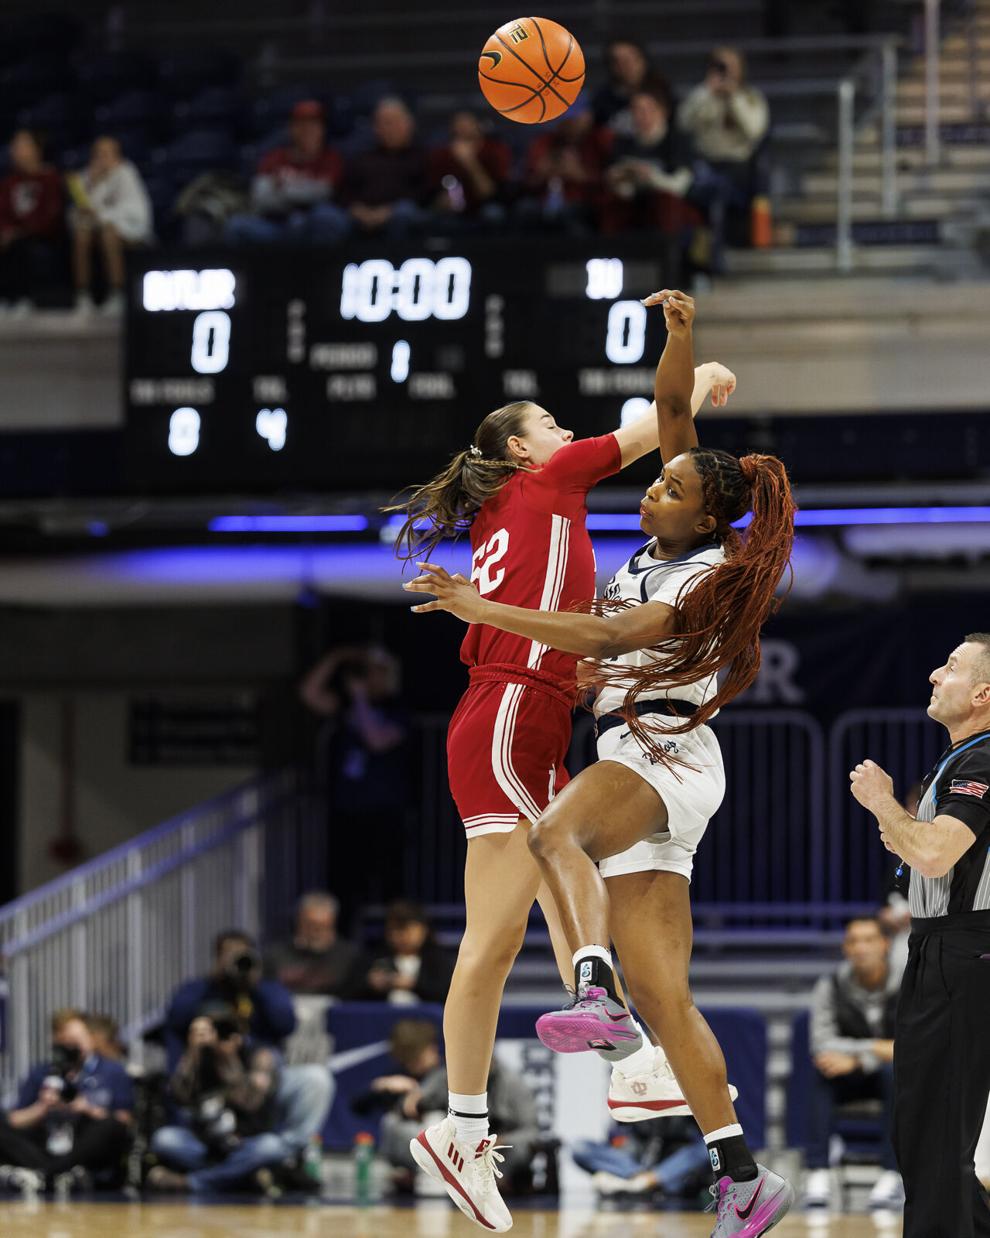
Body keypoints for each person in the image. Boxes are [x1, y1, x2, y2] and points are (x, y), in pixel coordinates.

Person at [403, 290, 797, 1231]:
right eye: (550, 423)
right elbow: (669, 419)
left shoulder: (697, 568)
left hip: (647, 747)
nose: (653, 491)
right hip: (586, 732)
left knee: (546, 856)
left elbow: (614, 623)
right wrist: (684, 344)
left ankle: (566, 1043)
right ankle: (735, 1166)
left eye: (671, 489)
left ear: (706, 513)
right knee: (653, 983)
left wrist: (490, 615)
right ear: (517, 450)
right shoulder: (597, 510)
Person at [850, 632, 990, 1238]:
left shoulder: (983, 759)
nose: (935, 673)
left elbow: (933, 854)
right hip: (944, 948)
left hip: (963, 950)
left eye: (952, 667)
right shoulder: (963, 757)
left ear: (983, 694)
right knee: (927, 1133)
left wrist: (884, 804)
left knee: (936, 1135)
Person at [164, 930, 332, 1162]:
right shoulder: (200, 989)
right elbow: (176, 1017)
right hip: (209, 1085)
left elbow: (285, 1023)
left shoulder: (265, 989)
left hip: (260, 1080)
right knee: (166, 1140)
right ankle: (242, 1163)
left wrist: (256, 984)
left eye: (242, 955)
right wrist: (214, 980)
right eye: (229, 955)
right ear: (218, 958)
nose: (236, 961)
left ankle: (285, 1152)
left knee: (316, 1078)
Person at [358, 1020, 539, 1191]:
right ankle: (433, 1178)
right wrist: (412, 1101)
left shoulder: (513, 1084)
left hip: (492, 1153)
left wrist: (500, 1141)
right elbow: (415, 1103)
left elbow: (531, 1133)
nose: (472, 1061)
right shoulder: (446, 1076)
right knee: (401, 1123)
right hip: (456, 1151)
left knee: (519, 1146)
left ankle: (491, 1183)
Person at [300, 644, 408, 923]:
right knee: (346, 879)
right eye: (367, 671)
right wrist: (336, 657)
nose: (371, 678)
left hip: (384, 808)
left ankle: (393, 932)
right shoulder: (344, 705)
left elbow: (376, 740)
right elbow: (309, 693)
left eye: (378, 672)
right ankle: (347, 934)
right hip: (347, 806)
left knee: (388, 878)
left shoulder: (397, 708)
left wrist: (360, 699)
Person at [803, 917, 902, 1210]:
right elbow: (822, 1043)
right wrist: (876, 1049)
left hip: (894, 1078)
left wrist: (860, 1059)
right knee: (821, 1072)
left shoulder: (908, 984)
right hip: (848, 1076)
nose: (861, 948)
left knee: (895, 1072)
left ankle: (892, 1174)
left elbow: (915, 1045)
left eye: (869, 940)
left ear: (885, 944)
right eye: (853, 941)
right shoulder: (830, 986)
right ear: (845, 948)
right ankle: (818, 1171)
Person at [148, 1011, 287, 1194]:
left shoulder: (259, 1055)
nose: (220, 1038)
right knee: (164, 1139)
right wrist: (193, 1052)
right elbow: (179, 1097)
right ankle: (241, 1176)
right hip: (205, 1145)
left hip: (245, 1142)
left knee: (272, 1146)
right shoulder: (199, 1057)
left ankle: (190, 1182)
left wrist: (229, 1059)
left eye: (225, 1032)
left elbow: (250, 1104)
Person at [0, 1009, 133, 1196]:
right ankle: (56, 1175)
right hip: (46, 1146)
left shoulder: (112, 1071)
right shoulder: (42, 1072)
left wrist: (86, 1108)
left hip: (84, 1149)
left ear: (90, 1039)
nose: (71, 1049)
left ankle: (46, 1175)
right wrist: (42, 1107)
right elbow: (14, 1120)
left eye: (76, 1041)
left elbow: (123, 1121)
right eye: (65, 1043)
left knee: (110, 1126)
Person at [678, 46, 770, 259]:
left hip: (740, 169)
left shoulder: (751, 97)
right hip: (705, 165)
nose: (726, 70)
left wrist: (734, 97)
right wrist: (707, 91)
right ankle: (705, 255)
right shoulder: (702, 95)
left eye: (731, 66)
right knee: (703, 186)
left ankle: (716, 254)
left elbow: (755, 131)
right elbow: (684, 123)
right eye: (720, 65)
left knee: (719, 191)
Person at [225, 100, 349, 246]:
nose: (307, 130)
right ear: (292, 128)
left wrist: (283, 189)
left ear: (322, 129)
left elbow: (323, 193)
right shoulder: (275, 157)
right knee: (237, 225)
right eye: (301, 124)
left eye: (313, 124)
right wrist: (302, 192)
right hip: (277, 225)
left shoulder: (331, 158)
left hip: (311, 224)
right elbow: (261, 196)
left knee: (325, 216)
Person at [601, 88, 700, 245]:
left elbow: (679, 186)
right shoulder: (623, 142)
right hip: (633, 203)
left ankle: (667, 254)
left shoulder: (677, 141)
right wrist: (623, 178)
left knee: (666, 203)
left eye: (648, 110)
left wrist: (651, 177)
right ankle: (612, 250)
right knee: (611, 204)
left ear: (662, 112)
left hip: (670, 209)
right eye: (636, 110)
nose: (642, 116)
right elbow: (614, 179)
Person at [68, 135, 152, 316]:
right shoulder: (88, 176)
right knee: (81, 234)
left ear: (117, 156)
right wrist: (92, 184)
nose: (101, 158)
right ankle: (83, 295)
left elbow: (134, 214)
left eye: (106, 154)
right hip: (97, 231)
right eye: (98, 154)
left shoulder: (126, 173)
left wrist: (101, 216)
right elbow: (81, 213)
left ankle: (117, 294)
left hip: (131, 231)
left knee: (109, 233)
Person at [339, 97, 430, 238]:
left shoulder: (423, 157)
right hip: (362, 215)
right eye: (382, 123)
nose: (388, 129)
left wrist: (388, 211)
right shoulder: (362, 158)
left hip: (400, 214)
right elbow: (346, 192)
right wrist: (358, 211)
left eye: (393, 122)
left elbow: (424, 195)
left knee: (404, 212)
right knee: (327, 217)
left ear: (409, 124)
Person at [518, 100, 612, 235]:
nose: (571, 124)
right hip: (544, 200)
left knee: (575, 215)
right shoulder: (544, 141)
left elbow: (607, 182)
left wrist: (579, 174)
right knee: (525, 210)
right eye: (566, 120)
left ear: (587, 117)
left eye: (575, 119)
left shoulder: (598, 140)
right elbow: (525, 182)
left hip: (582, 202)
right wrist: (542, 173)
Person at [0, 129, 65, 316]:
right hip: (12, 235)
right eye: (15, 146)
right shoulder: (9, 182)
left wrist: (19, 232)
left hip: (41, 236)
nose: (16, 150)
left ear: (37, 150)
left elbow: (51, 216)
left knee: (20, 245)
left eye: (22, 145)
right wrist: (5, 231)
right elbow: (2, 213)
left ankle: (23, 298)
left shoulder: (50, 178)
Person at [572, 1116, 711, 1202]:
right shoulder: (632, 1086)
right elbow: (616, 1134)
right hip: (635, 1159)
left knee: (707, 1147)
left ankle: (644, 1181)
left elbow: (700, 1139)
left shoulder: (685, 1089)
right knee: (580, 1147)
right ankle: (637, 1181)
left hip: (671, 1162)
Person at [351, 901, 454, 1005]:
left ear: (424, 930)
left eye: (408, 929)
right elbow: (349, 994)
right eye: (395, 930)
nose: (402, 936)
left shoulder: (438, 961)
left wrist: (413, 985)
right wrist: (370, 984)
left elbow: (446, 995)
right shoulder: (374, 958)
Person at [264, 891, 361, 997]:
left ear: (333, 925)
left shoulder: (350, 957)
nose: (317, 933)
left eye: (324, 927)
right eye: (311, 926)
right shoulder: (275, 955)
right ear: (298, 922)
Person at [430, 110, 511, 228]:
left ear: (477, 125)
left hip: (487, 204)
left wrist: (470, 163)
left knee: (492, 213)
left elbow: (488, 192)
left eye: (467, 124)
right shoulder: (443, 153)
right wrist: (442, 199)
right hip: (455, 207)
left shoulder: (494, 149)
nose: (463, 129)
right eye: (459, 125)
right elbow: (434, 190)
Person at [592, 39, 675, 137]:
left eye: (629, 59)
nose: (625, 66)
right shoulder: (602, 99)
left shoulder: (662, 89)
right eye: (617, 62)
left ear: (642, 60)